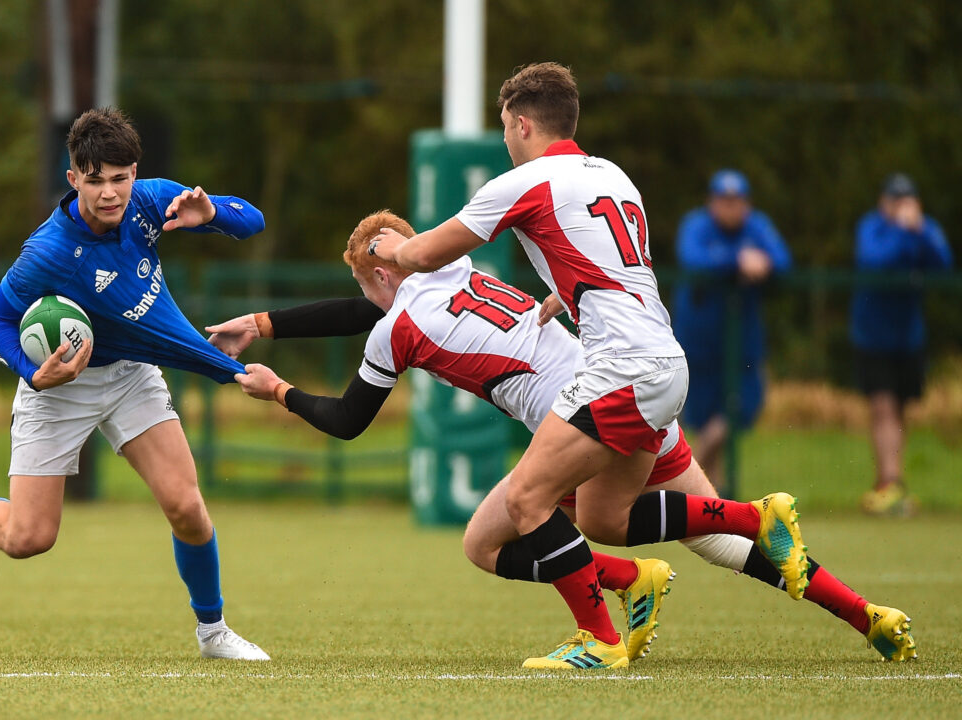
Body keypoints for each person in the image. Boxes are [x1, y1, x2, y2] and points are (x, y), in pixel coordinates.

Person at [211, 209, 917, 665]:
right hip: (621, 385)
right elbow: (360, 307)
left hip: (583, 413)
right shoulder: (455, 267)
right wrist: (268, 321)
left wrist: (278, 390)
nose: (367, 300)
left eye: (370, 282)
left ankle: (607, 629)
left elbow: (347, 419)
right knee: (495, 540)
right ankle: (864, 613)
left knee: (534, 511)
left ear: (384, 274)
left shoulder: (397, 323)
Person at [355, 62, 815, 671]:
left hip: (619, 367)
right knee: (603, 516)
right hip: (661, 357)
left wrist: (388, 249)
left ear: (522, 123)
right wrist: (562, 293)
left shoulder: (525, 180)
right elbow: (612, 267)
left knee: (526, 499)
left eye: (503, 129)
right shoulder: (614, 175)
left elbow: (421, 252)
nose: (503, 142)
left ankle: (603, 637)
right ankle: (743, 523)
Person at [0, 107, 270, 661]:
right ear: (73, 178)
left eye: (119, 178)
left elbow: (253, 221)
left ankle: (213, 632)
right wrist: (34, 373)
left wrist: (213, 211)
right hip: (60, 387)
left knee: (187, 507)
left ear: (134, 171)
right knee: (31, 539)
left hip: (129, 377)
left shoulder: (152, 200)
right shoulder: (47, 254)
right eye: (95, 180)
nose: (109, 193)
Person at [672, 170, 792, 490]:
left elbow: (782, 260)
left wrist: (763, 264)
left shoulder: (757, 226)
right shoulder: (697, 225)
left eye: (737, 201)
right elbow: (692, 258)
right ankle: (714, 501)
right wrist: (737, 260)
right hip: (698, 345)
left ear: (747, 204)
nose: (730, 208)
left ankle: (685, 480)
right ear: (712, 202)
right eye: (724, 201)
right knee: (703, 419)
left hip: (743, 346)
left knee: (742, 410)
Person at [851, 173, 953, 516]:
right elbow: (874, 261)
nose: (902, 206)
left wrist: (918, 230)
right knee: (881, 407)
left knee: (900, 411)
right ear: (884, 202)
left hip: (909, 337)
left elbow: (943, 262)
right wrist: (901, 230)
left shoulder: (923, 229)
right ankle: (889, 484)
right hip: (872, 335)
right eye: (895, 200)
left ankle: (891, 482)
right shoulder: (873, 228)